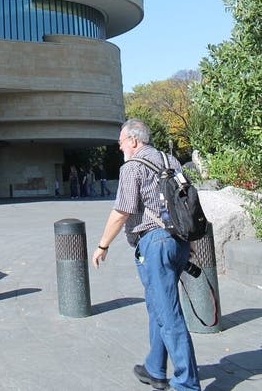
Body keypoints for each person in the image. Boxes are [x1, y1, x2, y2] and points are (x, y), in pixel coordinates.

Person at [92, 119, 201, 391]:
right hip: (179, 241)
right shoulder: (171, 161)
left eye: (120, 142)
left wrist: (102, 245)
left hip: (155, 244)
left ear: (133, 140)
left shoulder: (133, 167)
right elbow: (185, 201)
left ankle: (187, 383)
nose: (119, 147)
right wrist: (191, 243)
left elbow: (122, 211)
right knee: (157, 307)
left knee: (168, 314)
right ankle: (155, 368)